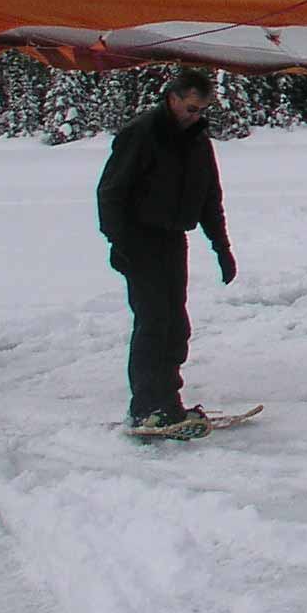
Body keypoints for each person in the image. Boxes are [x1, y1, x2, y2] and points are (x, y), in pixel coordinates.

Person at [98, 67, 237, 433]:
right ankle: (145, 406)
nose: (196, 116)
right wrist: (118, 242)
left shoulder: (197, 141)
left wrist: (221, 247)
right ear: (172, 98)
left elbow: (210, 197)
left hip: (173, 239)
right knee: (153, 322)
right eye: (191, 108)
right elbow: (110, 192)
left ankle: (169, 402)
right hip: (139, 240)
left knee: (176, 324)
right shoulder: (142, 134)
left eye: (202, 110)